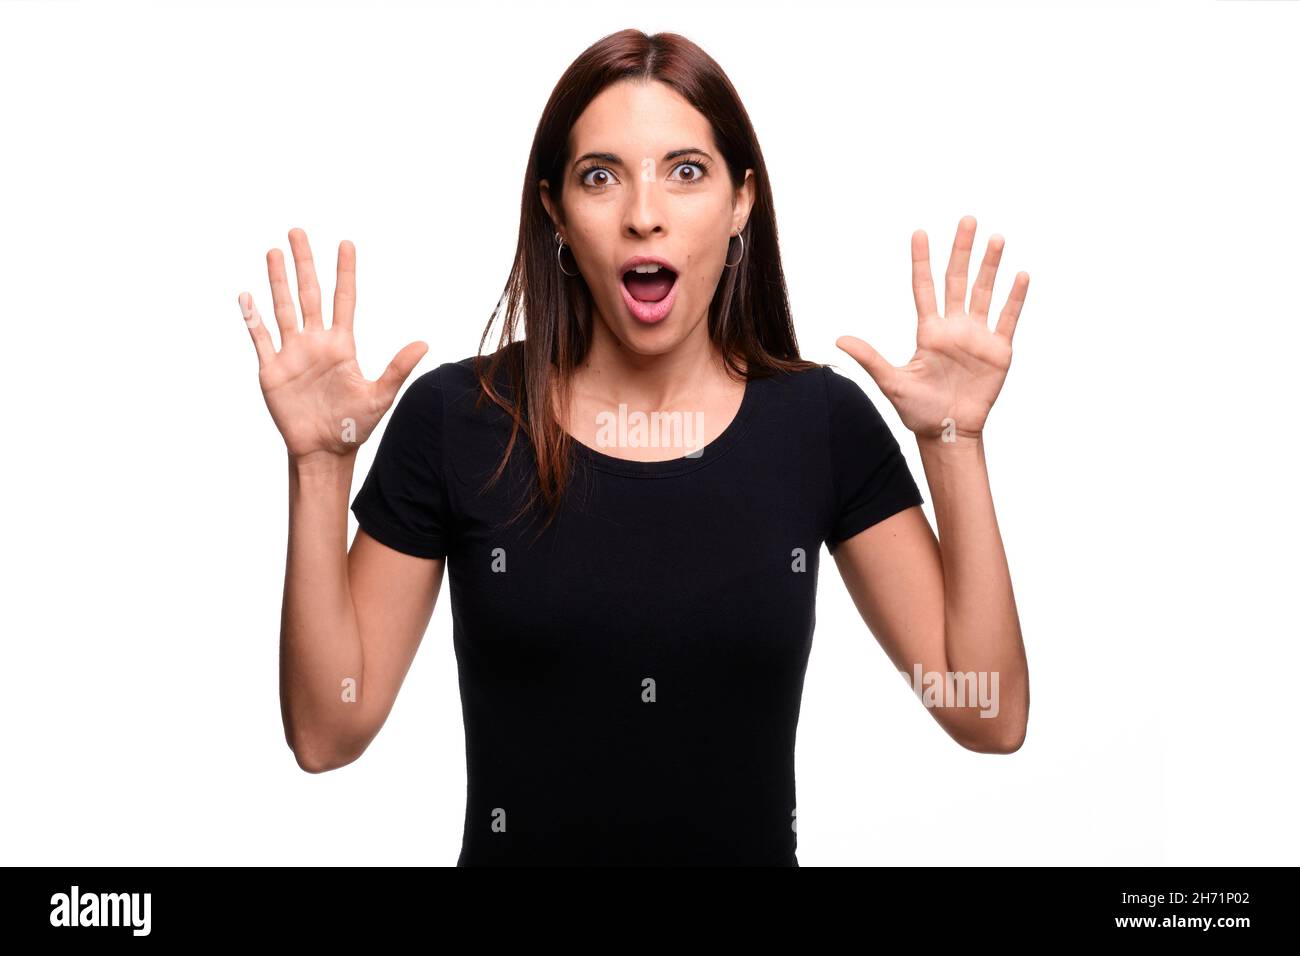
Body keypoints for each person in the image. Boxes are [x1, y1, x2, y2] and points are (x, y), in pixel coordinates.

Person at [238, 29, 1030, 866]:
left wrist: (955, 441)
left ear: (740, 204)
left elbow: (990, 716)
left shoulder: (820, 425)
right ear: (556, 212)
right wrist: (319, 469)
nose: (643, 213)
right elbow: (326, 732)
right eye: (600, 176)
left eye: (686, 172)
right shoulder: (457, 419)